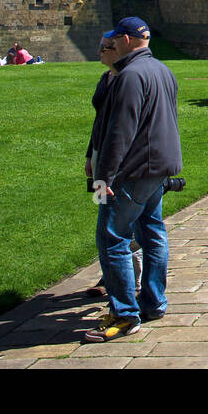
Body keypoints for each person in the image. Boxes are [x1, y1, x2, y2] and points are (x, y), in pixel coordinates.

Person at [84, 17, 181, 343]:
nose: (110, 45)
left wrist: (103, 177)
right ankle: (153, 302)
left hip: (133, 171)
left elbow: (119, 133)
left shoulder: (129, 76)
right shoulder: (162, 70)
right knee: (153, 233)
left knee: (112, 238)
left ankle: (125, 314)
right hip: (158, 169)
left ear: (125, 39)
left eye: (114, 39)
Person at [86, 35, 142, 300]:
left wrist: (108, 171)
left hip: (117, 165)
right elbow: (99, 123)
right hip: (101, 160)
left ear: (118, 49)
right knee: (103, 218)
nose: (100, 53)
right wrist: (90, 156)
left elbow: (124, 129)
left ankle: (129, 281)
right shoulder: (105, 79)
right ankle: (109, 272)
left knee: (120, 222)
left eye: (105, 48)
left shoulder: (126, 80)